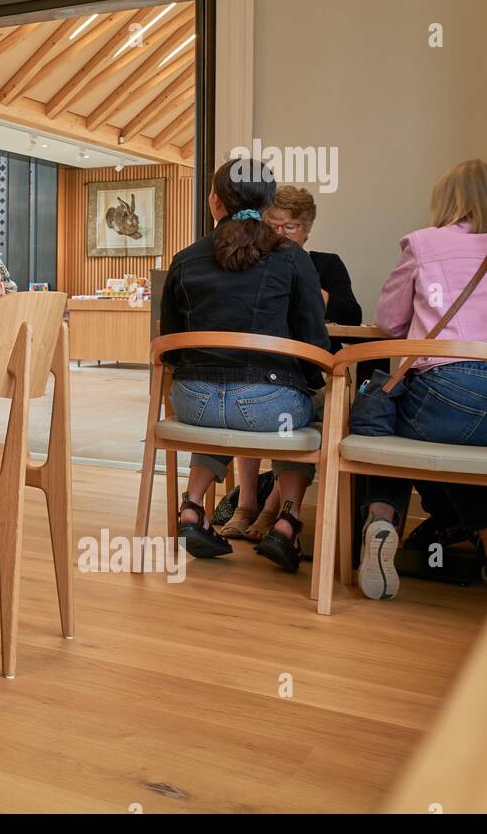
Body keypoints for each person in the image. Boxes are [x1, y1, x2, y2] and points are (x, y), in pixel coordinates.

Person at [158, 157, 330, 573]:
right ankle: (287, 520)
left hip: (192, 404)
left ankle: (193, 507)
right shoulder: (291, 257)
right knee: (312, 403)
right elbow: (315, 342)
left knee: (214, 399)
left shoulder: (183, 259)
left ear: (215, 202)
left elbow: (171, 349)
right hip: (268, 408)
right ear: (269, 202)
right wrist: (307, 384)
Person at [355, 159, 487, 601]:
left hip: (447, 393)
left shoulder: (423, 244)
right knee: (463, 451)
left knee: (383, 418)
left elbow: (391, 323)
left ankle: (380, 519)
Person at [221, 184, 363, 540]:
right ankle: (247, 503)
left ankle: (271, 508)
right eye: (273, 227)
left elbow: (352, 313)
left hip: (307, 375)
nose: (281, 235)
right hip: (259, 374)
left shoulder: (324, 264)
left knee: (294, 394)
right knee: (251, 389)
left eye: (290, 227)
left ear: (307, 228)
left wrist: (312, 292)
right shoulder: (252, 262)